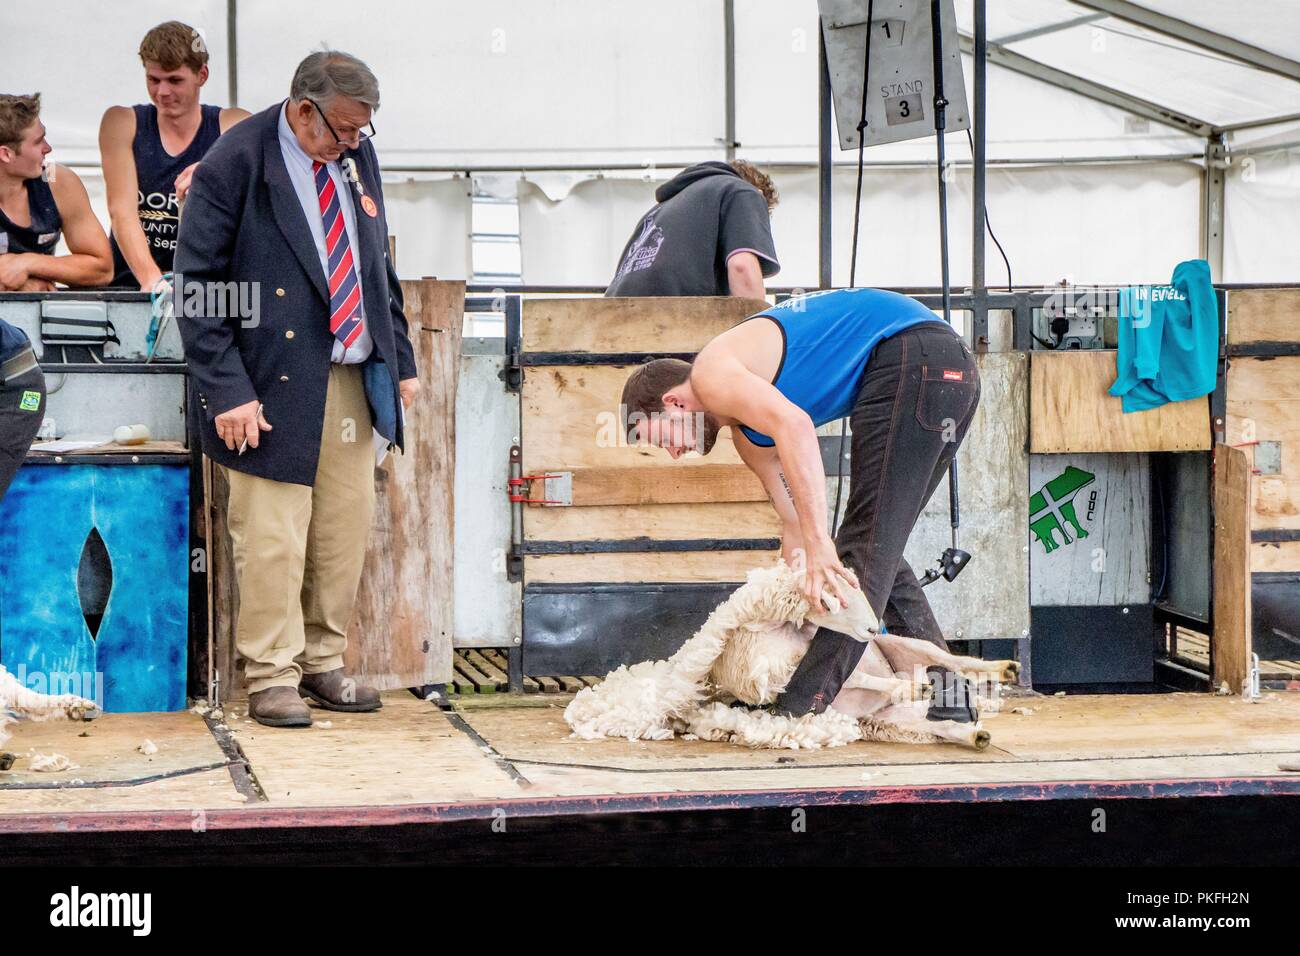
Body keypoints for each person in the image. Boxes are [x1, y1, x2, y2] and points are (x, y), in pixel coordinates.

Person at [175, 51, 420, 728]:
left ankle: (322, 662)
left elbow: (375, 261)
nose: (352, 145)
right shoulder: (236, 160)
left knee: (342, 528)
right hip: (263, 378)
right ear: (304, 109)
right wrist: (226, 390)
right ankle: (271, 674)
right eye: (343, 130)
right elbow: (196, 287)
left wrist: (399, 357)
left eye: (362, 134)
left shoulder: (353, 154)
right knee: (274, 533)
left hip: (349, 370)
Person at [620, 288, 981, 721]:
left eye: (662, 439)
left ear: (673, 404)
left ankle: (800, 707)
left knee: (861, 547)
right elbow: (794, 524)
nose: (674, 454)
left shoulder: (711, 375)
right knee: (876, 547)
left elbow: (797, 425)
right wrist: (792, 604)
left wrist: (820, 547)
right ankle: (952, 696)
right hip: (941, 372)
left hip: (915, 357)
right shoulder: (750, 436)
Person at [100, 20, 250, 291]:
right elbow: (122, 210)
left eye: (175, 80)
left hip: (206, 290)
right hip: (133, 287)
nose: (163, 92)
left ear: (202, 75)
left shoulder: (233, 124)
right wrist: (153, 281)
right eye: (153, 80)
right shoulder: (122, 122)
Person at [605, 160, 780, 299]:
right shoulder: (743, 191)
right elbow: (742, 267)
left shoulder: (658, 210)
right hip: (675, 317)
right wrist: (758, 330)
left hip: (609, 319)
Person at [0, 93, 114, 292]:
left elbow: (102, 269)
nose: (48, 148)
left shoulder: (56, 180)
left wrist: (28, 264)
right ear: (6, 154)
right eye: (38, 142)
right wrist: (24, 286)